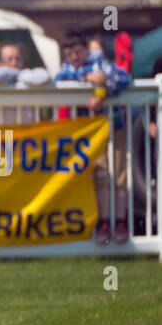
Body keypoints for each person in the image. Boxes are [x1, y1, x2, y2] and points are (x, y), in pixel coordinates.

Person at [55, 30, 132, 244]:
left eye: (77, 52)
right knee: (100, 175)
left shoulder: (100, 63)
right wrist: (86, 79)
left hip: (113, 126)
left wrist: (104, 88)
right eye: (69, 53)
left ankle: (121, 223)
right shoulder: (67, 70)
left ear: (86, 50)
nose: (73, 57)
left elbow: (124, 77)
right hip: (90, 132)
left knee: (119, 175)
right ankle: (104, 223)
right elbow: (59, 80)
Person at [0, 42, 50, 124]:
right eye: (9, 59)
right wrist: (14, 73)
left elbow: (46, 76)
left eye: (18, 59)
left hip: (27, 134)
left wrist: (21, 75)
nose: (14, 63)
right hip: (0, 134)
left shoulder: (26, 77)